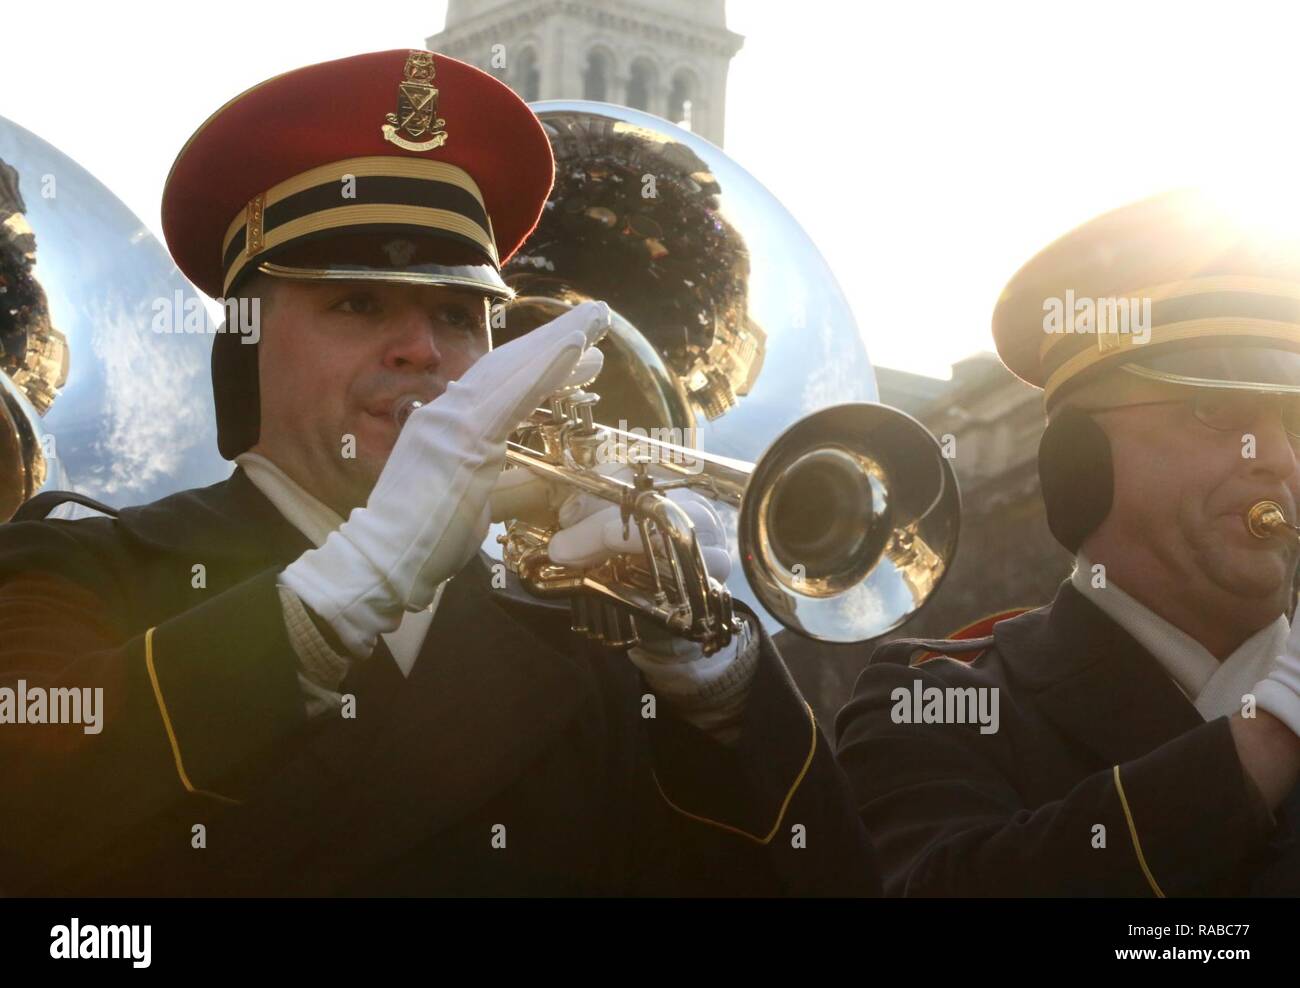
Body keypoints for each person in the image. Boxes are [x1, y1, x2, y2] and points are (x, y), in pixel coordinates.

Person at [0, 49, 875, 896]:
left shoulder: (585, 643)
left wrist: (719, 700)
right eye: (358, 302)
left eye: (460, 315)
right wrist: (354, 583)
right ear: (245, 342)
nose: (423, 350)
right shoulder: (77, 569)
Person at [837, 189, 1300, 896]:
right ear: (1079, 464)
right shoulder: (939, 699)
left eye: (1294, 423)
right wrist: (1277, 725)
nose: (1281, 462)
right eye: (1215, 410)